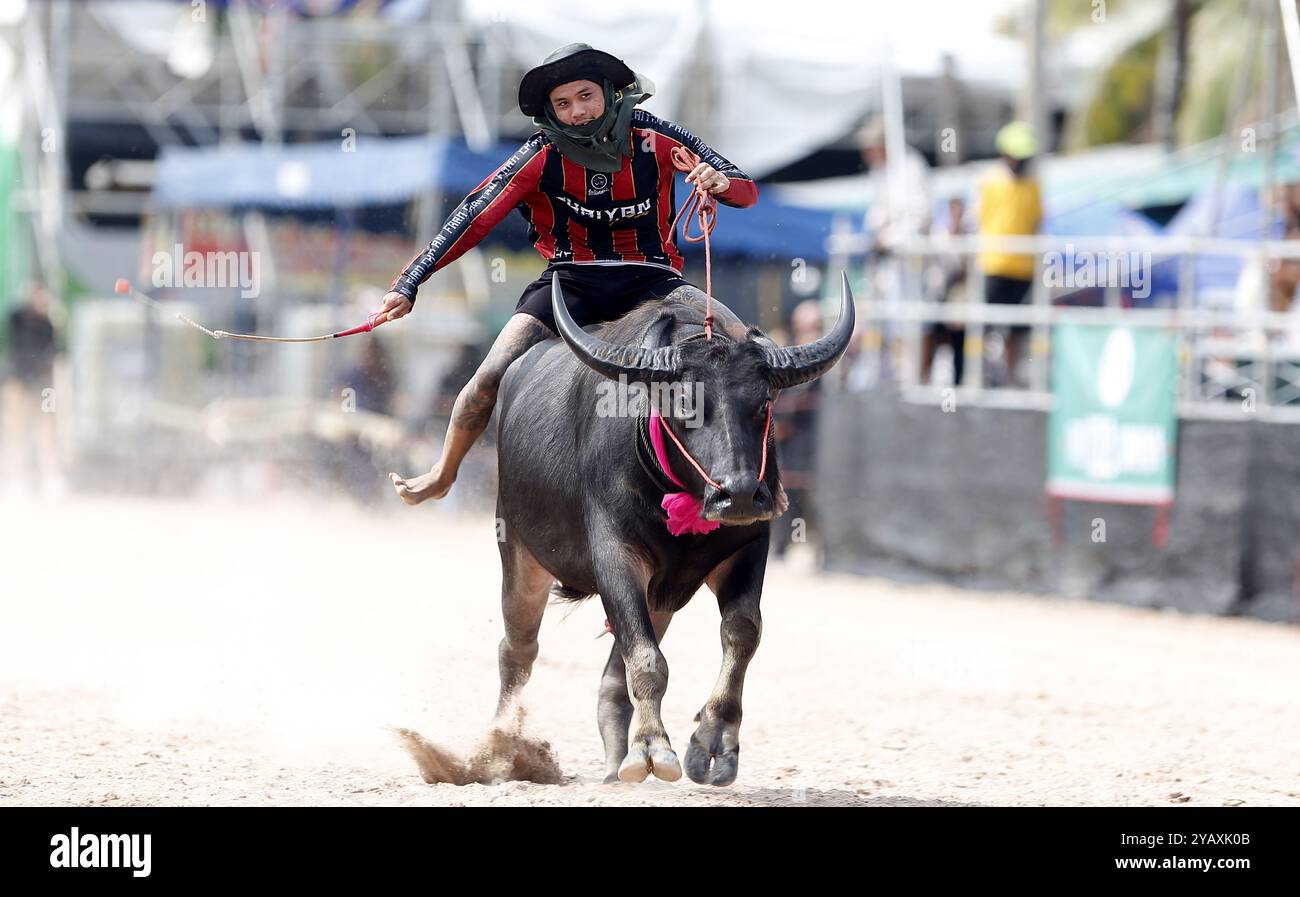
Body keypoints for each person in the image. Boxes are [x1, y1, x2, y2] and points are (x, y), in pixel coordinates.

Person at [379, 43, 758, 504]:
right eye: (563, 104)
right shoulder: (539, 154)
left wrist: (719, 182)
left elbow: (744, 189)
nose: (577, 112)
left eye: (585, 97)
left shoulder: (655, 135)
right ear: (550, 112)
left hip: (655, 280)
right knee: (488, 376)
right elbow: (475, 213)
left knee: (744, 348)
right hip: (570, 282)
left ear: (608, 93)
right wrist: (410, 282)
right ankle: (443, 471)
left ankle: (758, 481)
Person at [977, 121, 1042, 386]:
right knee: (985, 324)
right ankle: (980, 373)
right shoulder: (989, 181)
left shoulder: (1033, 185)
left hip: (1023, 267)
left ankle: (1010, 377)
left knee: (1018, 328)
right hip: (994, 264)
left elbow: (1037, 221)